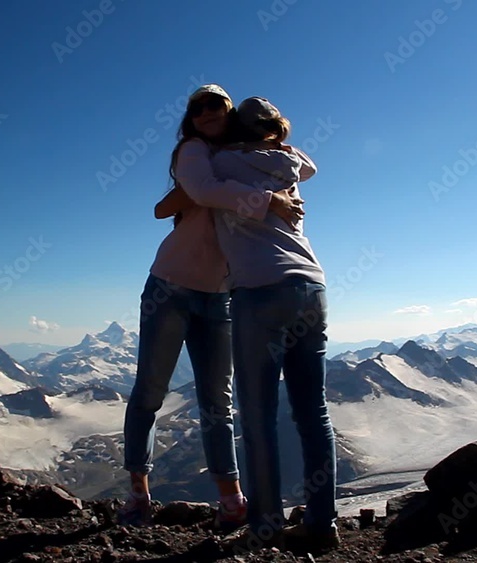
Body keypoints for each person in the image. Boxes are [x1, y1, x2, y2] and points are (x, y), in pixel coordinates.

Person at [119, 85, 303, 530]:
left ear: (231, 112)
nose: (204, 112)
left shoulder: (243, 158)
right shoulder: (194, 150)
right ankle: (139, 494)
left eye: (214, 105)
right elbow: (198, 191)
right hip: (170, 286)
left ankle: (232, 500)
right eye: (195, 107)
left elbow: (302, 163)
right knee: (150, 393)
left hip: (220, 294)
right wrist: (269, 200)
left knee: (217, 402)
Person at [164, 97, 339, 553]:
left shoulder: (222, 160)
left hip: (260, 290)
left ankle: (266, 525)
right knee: (313, 413)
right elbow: (312, 167)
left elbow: (194, 193)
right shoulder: (291, 161)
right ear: (276, 130)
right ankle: (322, 524)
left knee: (258, 417)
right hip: (312, 287)